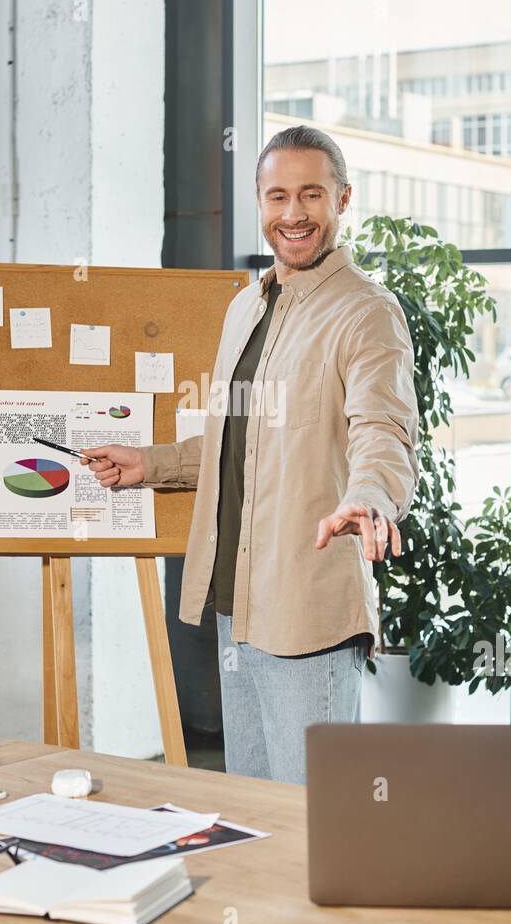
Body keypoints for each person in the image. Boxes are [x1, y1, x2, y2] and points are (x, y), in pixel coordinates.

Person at [81, 125, 419, 783]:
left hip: (308, 606)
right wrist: (149, 463)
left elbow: (382, 430)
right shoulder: (246, 308)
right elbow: (241, 437)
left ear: (342, 199)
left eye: (311, 195)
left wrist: (368, 494)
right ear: (259, 204)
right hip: (238, 602)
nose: (292, 214)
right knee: (253, 809)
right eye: (277, 196)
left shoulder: (365, 313)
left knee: (311, 816)